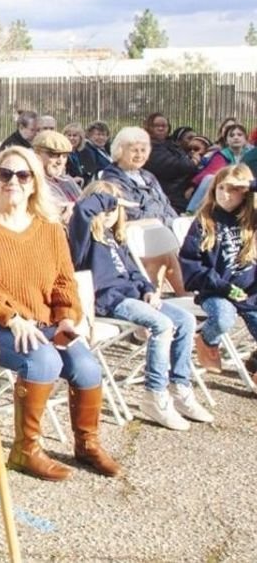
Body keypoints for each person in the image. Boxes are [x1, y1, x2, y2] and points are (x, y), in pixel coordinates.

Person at [0, 146, 120, 480]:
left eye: (22, 175)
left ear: (34, 183)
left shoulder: (48, 227)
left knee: (86, 366)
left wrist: (67, 318)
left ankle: (87, 444)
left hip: (46, 321)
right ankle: (25, 449)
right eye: (4, 173)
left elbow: (63, 280)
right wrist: (12, 319)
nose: (12, 181)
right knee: (43, 360)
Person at [69, 182, 213, 430]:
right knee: (162, 324)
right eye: (104, 207)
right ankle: (154, 395)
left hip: (133, 296)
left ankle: (179, 386)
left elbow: (135, 272)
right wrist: (110, 199)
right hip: (108, 300)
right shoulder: (82, 239)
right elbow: (83, 209)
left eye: (114, 208)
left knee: (185, 320)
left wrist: (148, 291)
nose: (109, 213)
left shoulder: (116, 238)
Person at [179, 165, 257, 383]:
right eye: (221, 188)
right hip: (216, 290)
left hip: (248, 292)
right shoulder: (205, 222)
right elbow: (191, 267)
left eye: (233, 189)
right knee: (223, 319)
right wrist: (222, 286)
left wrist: (250, 185)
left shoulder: (252, 219)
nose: (225, 194)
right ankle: (207, 341)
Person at [98, 126, 187, 294]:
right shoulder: (112, 178)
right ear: (120, 151)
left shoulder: (147, 176)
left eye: (143, 150)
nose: (140, 154)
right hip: (133, 234)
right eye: (134, 150)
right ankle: (157, 296)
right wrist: (164, 224)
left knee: (179, 244)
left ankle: (182, 295)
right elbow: (129, 212)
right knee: (164, 252)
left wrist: (173, 223)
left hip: (160, 230)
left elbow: (165, 204)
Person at [143, 113, 197, 212]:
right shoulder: (149, 146)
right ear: (149, 127)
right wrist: (193, 162)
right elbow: (175, 166)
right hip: (169, 193)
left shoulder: (171, 144)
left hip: (182, 188)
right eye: (156, 126)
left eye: (164, 126)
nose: (161, 128)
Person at [192, 122, 249, 211]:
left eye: (239, 135)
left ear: (246, 139)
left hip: (247, 183)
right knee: (209, 178)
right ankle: (192, 211)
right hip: (226, 183)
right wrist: (192, 185)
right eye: (231, 135)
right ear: (226, 140)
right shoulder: (222, 154)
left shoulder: (252, 153)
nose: (236, 137)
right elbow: (211, 171)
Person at [32, 130, 82, 224]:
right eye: (53, 155)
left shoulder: (68, 180)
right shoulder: (31, 183)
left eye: (64, 156)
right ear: (36, 154)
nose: (60, 161)